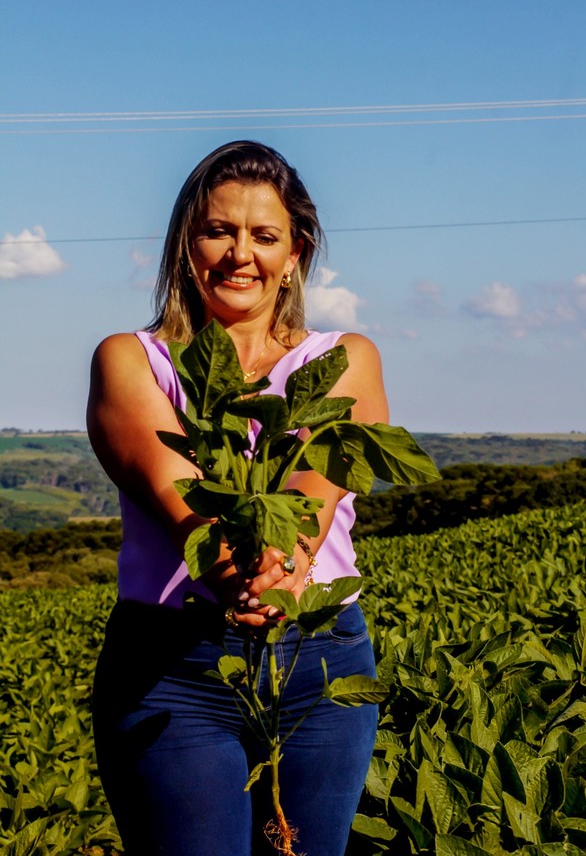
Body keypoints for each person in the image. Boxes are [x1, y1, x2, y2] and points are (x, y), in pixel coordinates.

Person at [87, 140, 389, 856]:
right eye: (218, 231)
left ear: (296, 252)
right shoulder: (131, 360)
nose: (240, 255)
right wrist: (237, 573)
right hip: (173, 669)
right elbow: (179, 494)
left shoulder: (344, 359)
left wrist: (286, 568)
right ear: (186, 244)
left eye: (265, 236)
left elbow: (314, 497)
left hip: (318, 663)